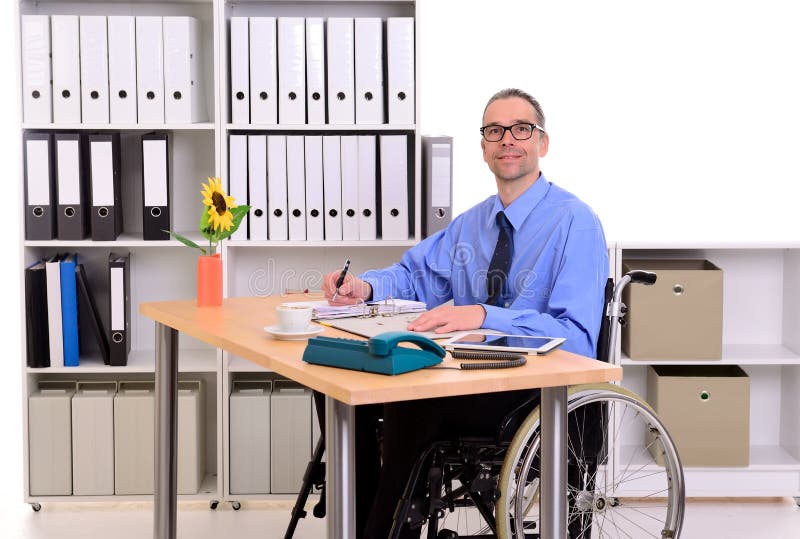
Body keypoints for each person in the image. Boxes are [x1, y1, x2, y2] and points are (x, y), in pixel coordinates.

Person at [322, 88, 609, 538]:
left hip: (530, 391)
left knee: (410, 402)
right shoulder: (471, 224)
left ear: (542, 143)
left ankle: (383, 529)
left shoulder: (576, 222)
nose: (507, 139)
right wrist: (365, 286)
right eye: (495, 131)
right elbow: (415, 276)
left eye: (521, 129)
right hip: (465, 374)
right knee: (344, 393)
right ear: (483, 147)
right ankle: (367, 523)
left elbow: (576, 339)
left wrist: (484, 315)